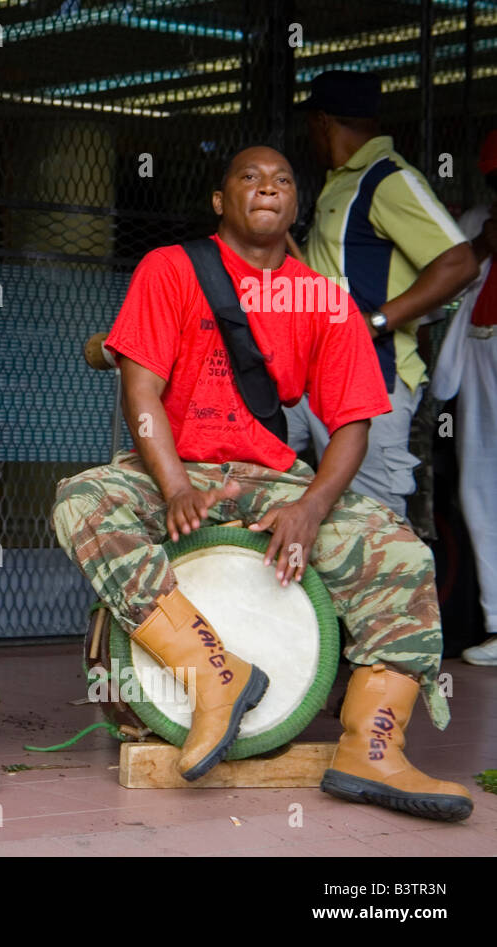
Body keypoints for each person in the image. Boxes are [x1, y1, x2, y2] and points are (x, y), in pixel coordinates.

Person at [53, 145, 472, 821]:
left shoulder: (324, 300)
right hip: (177, 464)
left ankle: (371, 745)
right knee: (82, 499)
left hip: (269, 473)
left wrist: (310, 507)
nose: (268, 187)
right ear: (221, 201)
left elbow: (353, 424)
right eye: (249, 177)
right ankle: (216, 675)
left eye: (282, 180)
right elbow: (141, 390)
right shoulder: (171, 269)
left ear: (296, 206)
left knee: (398, 550)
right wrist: (173, 486)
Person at [286, 70, 479, 520]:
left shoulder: (387, 179)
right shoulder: (342, 183)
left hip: (372, 378)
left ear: (321, 122)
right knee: (253, 467)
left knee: (374, 524)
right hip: (315, 376)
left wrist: (375, 321)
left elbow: (460, 263)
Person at [434, 130, 497, 666]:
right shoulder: (478, 222)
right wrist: (483, 244)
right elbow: (439, 281)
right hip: (480, 351)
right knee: (479, 483)